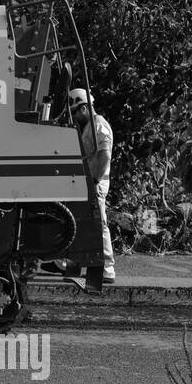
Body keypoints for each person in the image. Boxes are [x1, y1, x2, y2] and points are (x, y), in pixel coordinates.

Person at [69, 88, 116, 284]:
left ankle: (107, 268)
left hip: (96, 182)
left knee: (100, 223)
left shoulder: (100, 127)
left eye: (75, 111)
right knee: (83, 221)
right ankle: (74, 262)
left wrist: (95, 180)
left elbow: (105, 156)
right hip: (89, 181)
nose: (74, 116)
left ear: (85, 107)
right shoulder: (89, 126)